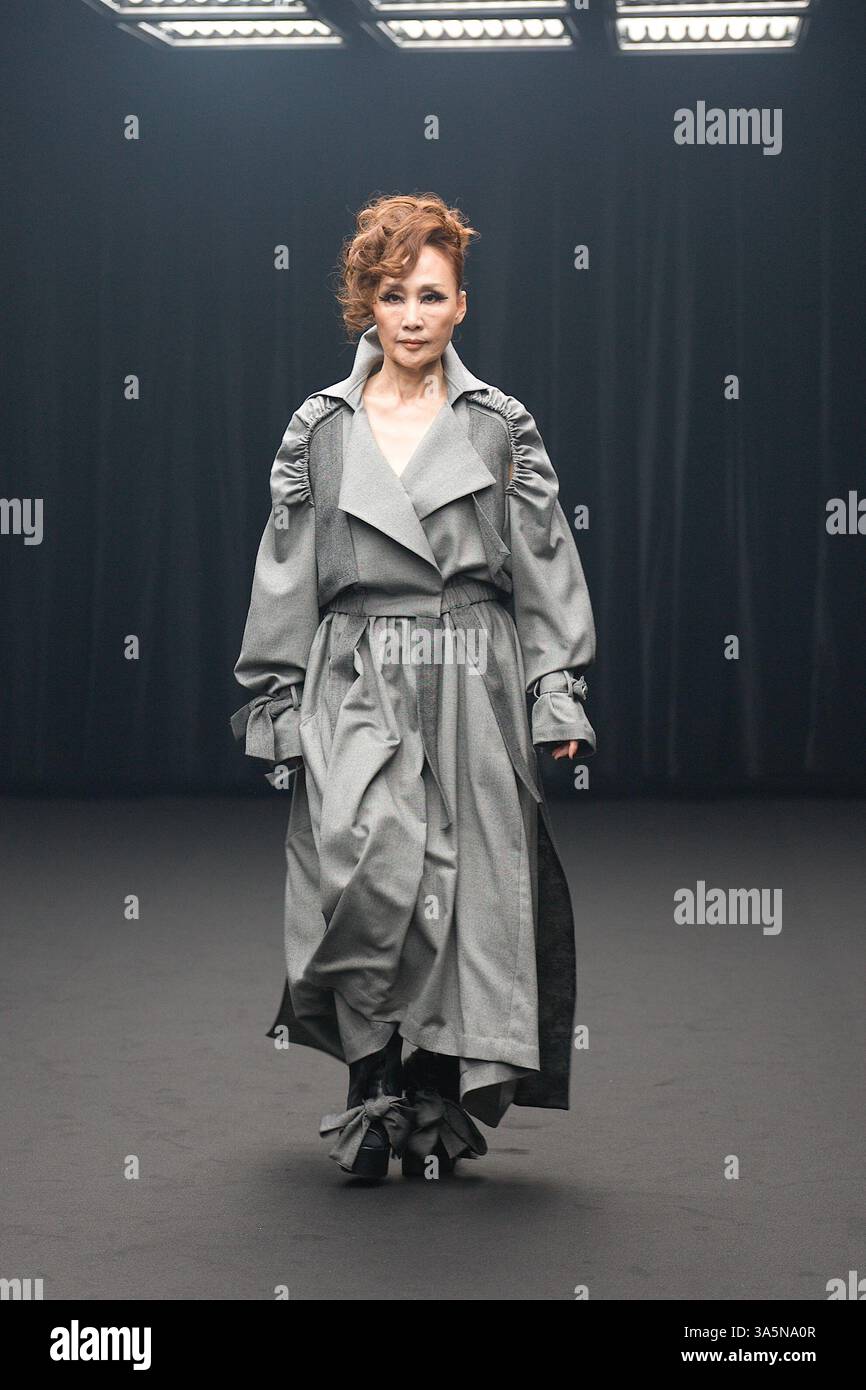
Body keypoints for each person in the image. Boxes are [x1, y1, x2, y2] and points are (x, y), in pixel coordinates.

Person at [231, 192, 597, 1182]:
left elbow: (542, 558)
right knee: (358, 868)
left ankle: (431, 1088)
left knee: (464, 886)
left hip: (469, 669)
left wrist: (552, 689)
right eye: (392, 295)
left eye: (429, 295)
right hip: (354, 673)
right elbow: (287, 564)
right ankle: (368, 1077)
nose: (411, 315)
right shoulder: (322, 429)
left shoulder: (495, 426)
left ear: (460, 306)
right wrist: (273, 693)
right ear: (367, 304)